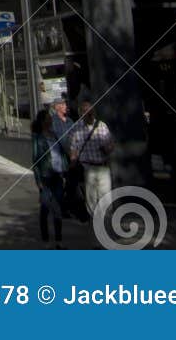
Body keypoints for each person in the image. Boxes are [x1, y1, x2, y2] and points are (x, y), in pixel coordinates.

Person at [70, 95, 114, 218]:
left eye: (91, 111)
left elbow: (111, 145)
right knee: (91, 200)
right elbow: (73, 149)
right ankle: (94, 223)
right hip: (87, 168)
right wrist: (73, 164)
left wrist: (107, 148)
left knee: (105, 198)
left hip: (103, 167)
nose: (90, 114)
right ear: (81, 114)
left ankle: (106, 223)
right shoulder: (76, 128)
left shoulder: (102, 126)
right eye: (86, 112)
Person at [32, 107, 64, 246]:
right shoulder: (38, 138)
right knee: (45, 207)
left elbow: (60, 153)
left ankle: (58, 240)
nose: (51, 120)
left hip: (57, 174)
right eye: (48, 118)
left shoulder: (54, 135)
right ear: (43, 121)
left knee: (57, 208)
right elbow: (35, 160)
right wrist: (38, 180)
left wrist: (64, 168)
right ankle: (46, 240)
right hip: (45, 176)